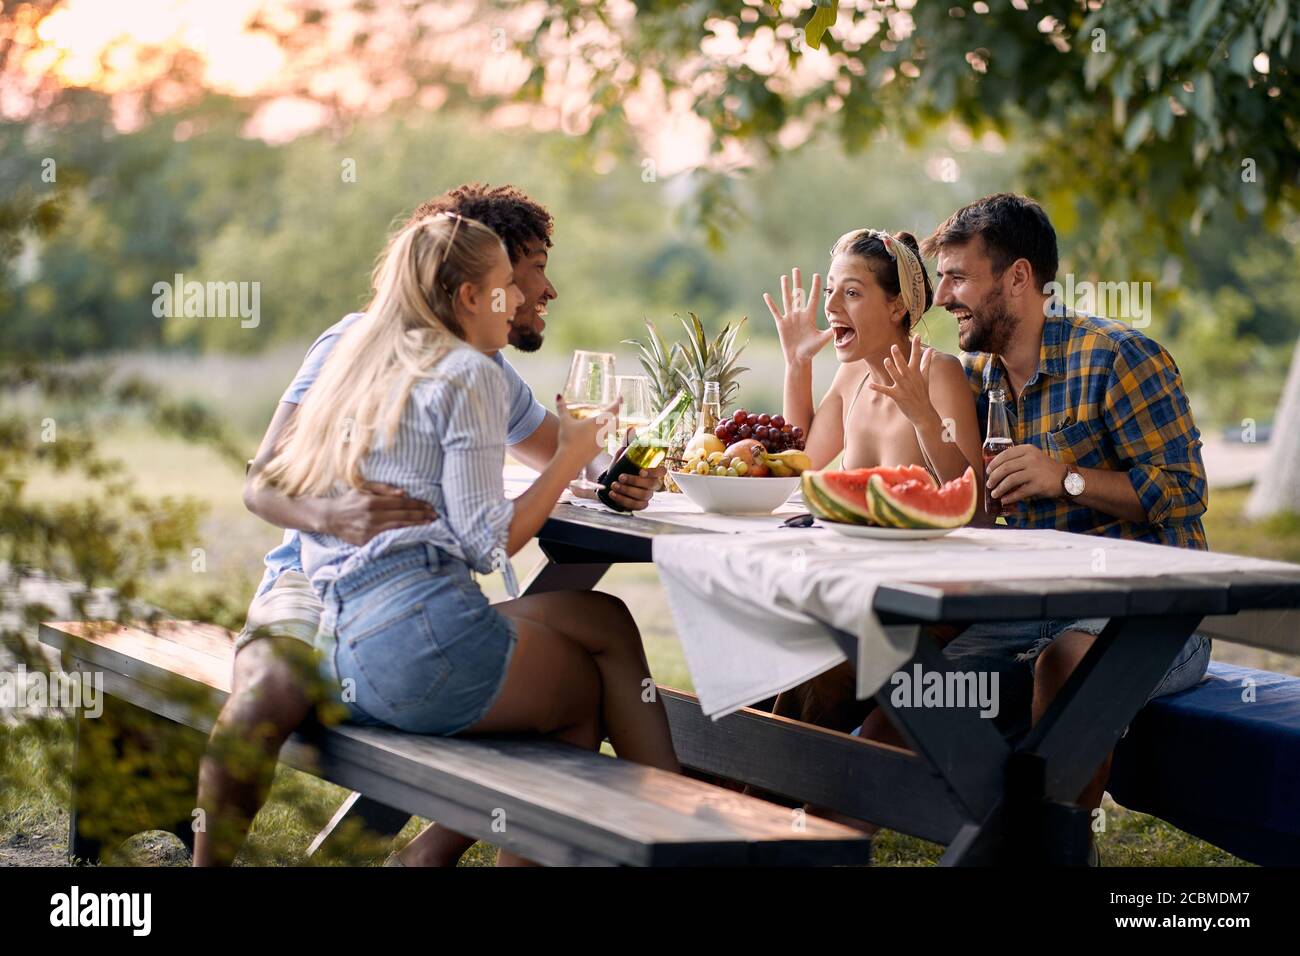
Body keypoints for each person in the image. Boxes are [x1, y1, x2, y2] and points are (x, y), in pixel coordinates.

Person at [194, 185, 667, 867]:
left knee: (591, 632)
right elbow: (262, 480)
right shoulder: (357, 346)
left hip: (382, 602)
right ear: (471, 280)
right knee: (270, 693)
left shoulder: (487, 367)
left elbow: (563, 451)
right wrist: (329, 513)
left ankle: (433, 852)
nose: (545, 288)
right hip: (311, 573)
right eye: (528, 266)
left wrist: (612, 471)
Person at [853, 194, 1211, 854]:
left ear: (1018, 278)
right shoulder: (978, 379)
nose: (945, 295)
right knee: (899, 713)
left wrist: (1066, 477)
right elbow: (972, 505)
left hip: (1152, 616)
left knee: (1065, 663)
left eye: (959, 277)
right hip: (1026, 608)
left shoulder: (1118, 357)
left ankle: (1048, 853)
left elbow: (1183, 492)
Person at [760, 229, 986, 731]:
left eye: (853, 292)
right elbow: (803, 465)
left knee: (818, 670)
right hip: (858, 593)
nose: (833, 305)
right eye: (830, 293)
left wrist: (924, 418)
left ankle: (758, 800)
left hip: (924, 605)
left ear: (898, 306)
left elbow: (978, 508)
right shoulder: (851, 377)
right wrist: (797, 365)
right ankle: (734, 789)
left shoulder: (939, 373)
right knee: (765, 659)